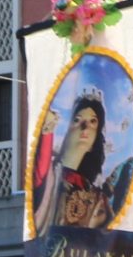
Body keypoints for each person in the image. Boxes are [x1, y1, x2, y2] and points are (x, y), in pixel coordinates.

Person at [31, 93, 115, 234]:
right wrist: (47, 131)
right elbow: (42, 169)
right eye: (77, 120)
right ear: (66, 131)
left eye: (93, 122)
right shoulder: (53, 174)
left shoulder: (94, 192)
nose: (85, 126)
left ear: (95, 142)